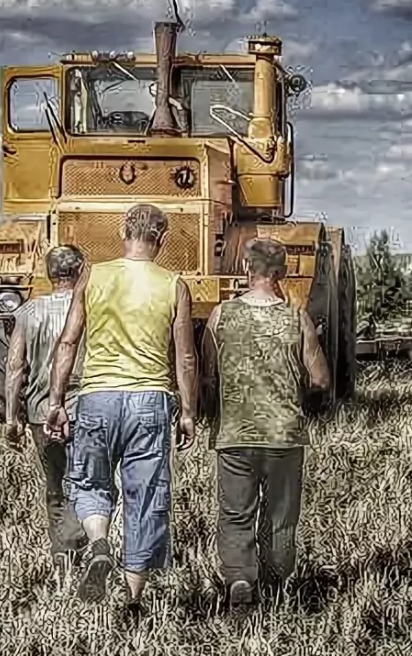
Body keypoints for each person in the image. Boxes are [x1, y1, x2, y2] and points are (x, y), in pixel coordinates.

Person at [46, 204, 198, 606]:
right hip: (150, 401)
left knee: (91, 483)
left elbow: (68, 342)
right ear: (161, 239)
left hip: (97, 397)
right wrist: (187, 411)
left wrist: (57, 400)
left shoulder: (92, 275)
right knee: (145, 498)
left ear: (121, 231)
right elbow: (185, 357)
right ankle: (132, 600)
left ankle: (98, 544)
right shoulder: (174, 284)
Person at [200, 237, 330, 610]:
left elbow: (209, 374)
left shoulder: (221, 315)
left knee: (235, 514)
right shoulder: (296, 318)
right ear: (283, 272)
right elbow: (320, 378)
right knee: (279, 515)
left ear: (245, 269)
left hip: (235, 435)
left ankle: (240, 578)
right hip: (284, 436)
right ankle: (274, 585)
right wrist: (295, 389)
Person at [4, 245, 88, 573]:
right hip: (86, 409)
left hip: (42, 414)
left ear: (48, 273)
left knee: (56, 486)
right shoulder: (91, 307)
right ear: (81, 270)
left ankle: (63, 559)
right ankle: (86, 549)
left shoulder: (27, 313)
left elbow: (14, 367)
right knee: (87, 482)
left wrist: (12, 418)